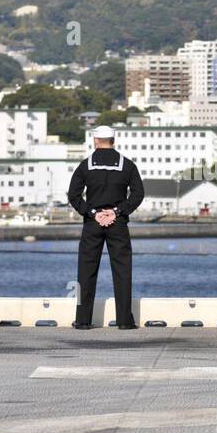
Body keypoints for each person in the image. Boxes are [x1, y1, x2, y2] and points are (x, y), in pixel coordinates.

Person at [68, 125, 144, 329]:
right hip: (117, 223)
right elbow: (138, 194)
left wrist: (93, 213)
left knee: (85, 271)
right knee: (122, 270)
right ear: (113, 140)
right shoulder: (127, 165)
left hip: (92, 223)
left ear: (95, 141)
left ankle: (83, 321)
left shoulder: (85, 165)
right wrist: (117, 212)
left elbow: (73, 195)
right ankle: (125, 321)